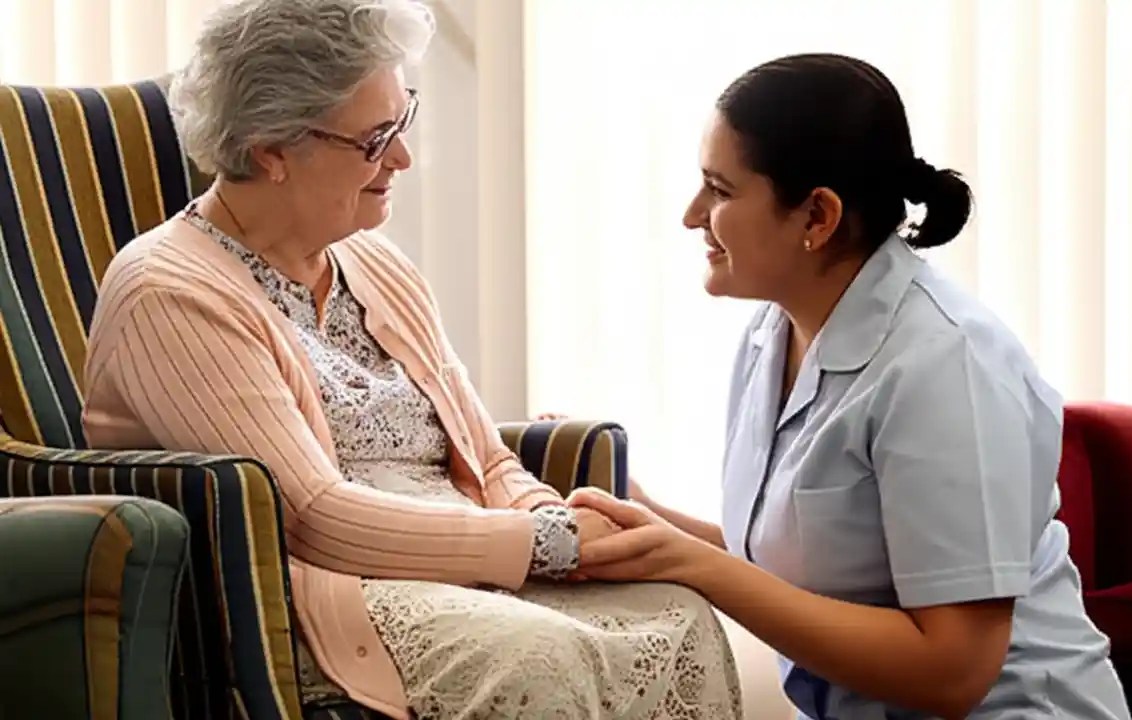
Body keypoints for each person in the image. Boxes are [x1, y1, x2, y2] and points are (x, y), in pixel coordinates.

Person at [80, 1, 740, 718]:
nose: (402, 157)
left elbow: (486, 460)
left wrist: (558, 521)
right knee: (541, 659)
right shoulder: (168, 292)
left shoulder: (373, 261)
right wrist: (546, 544)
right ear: (271, 149)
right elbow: (313, 519)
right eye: (374, 139)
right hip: (330, 593)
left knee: (679, 615)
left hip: (469, 564)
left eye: (402, 122)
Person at [567, 54, 1132, 720]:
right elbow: (823, 564)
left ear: (817, 217)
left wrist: (692, 565)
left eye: (719, 190)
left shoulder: (948, 367)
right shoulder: (773, 334)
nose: (693, 216)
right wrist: (650, 519)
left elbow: (953, 671)